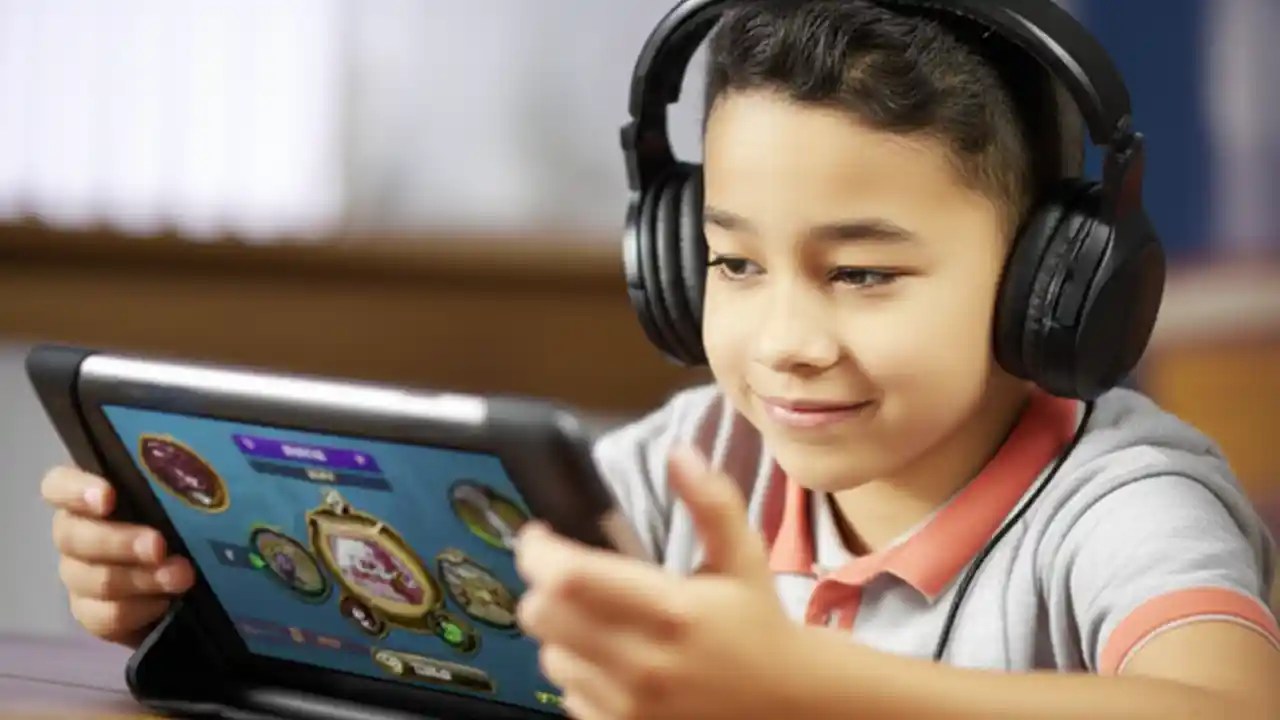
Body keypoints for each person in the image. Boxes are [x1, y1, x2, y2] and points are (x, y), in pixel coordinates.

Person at [41, 1, 1279, 718]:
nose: (784, 343)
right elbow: (451, 624)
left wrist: (800, 684)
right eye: (734, 263)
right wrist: (189, 593)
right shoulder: (697, 457)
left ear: (1046, 283)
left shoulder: (1120, 500)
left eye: (862, 273)